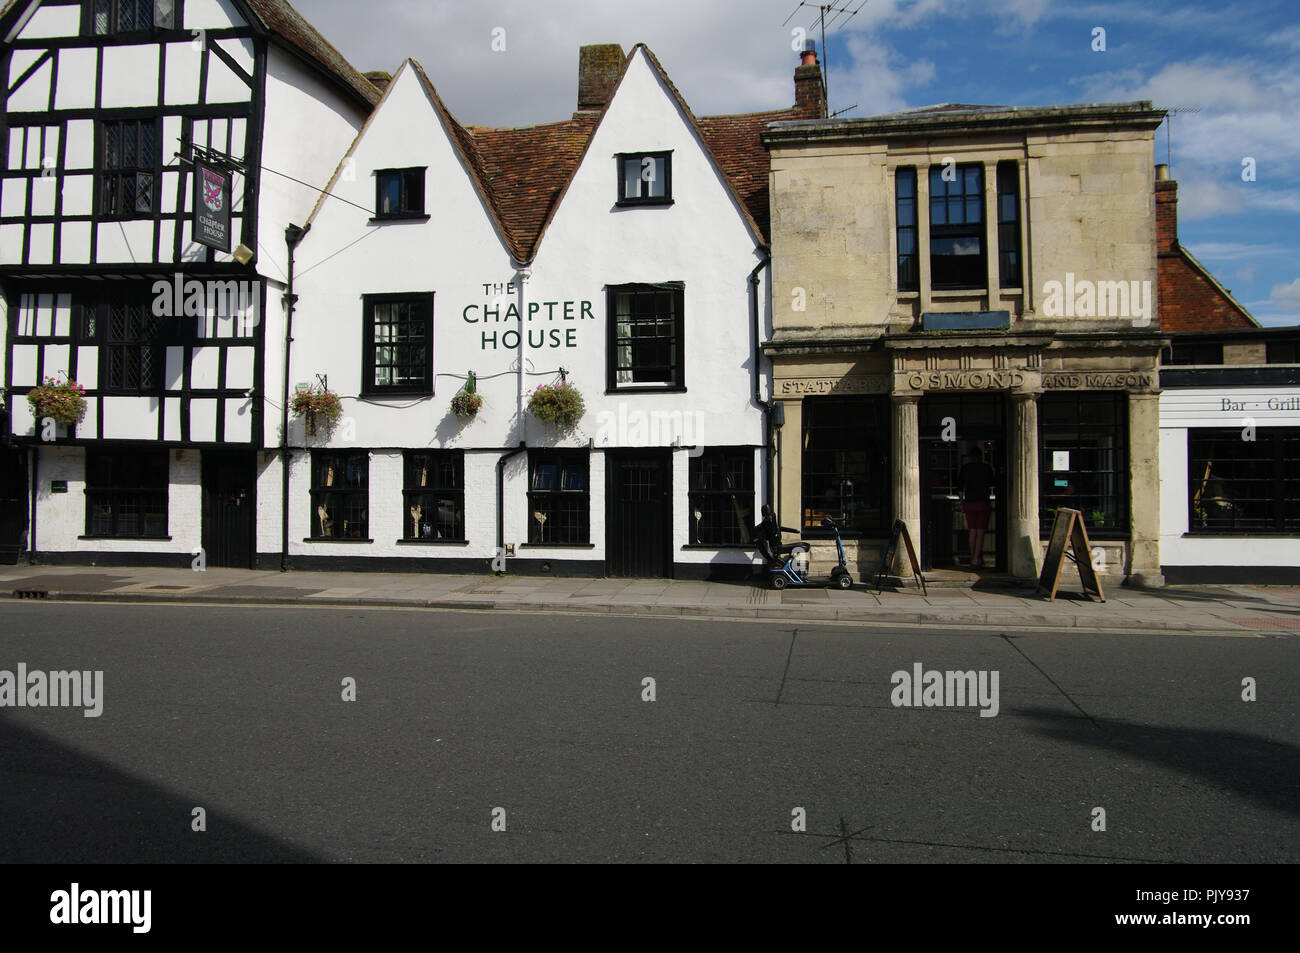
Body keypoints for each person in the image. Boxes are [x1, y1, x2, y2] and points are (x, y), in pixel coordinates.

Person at [958, 446, 995, 568]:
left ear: (970, 457)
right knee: (980, 532)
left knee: (972, 531)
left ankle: (972, 556)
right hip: (983, 502)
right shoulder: (986, 468)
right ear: (980, 456)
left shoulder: (965, 469)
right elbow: (992, 483)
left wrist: (962, 503)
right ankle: (976, 558)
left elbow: (960, 488)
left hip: (969, 502)